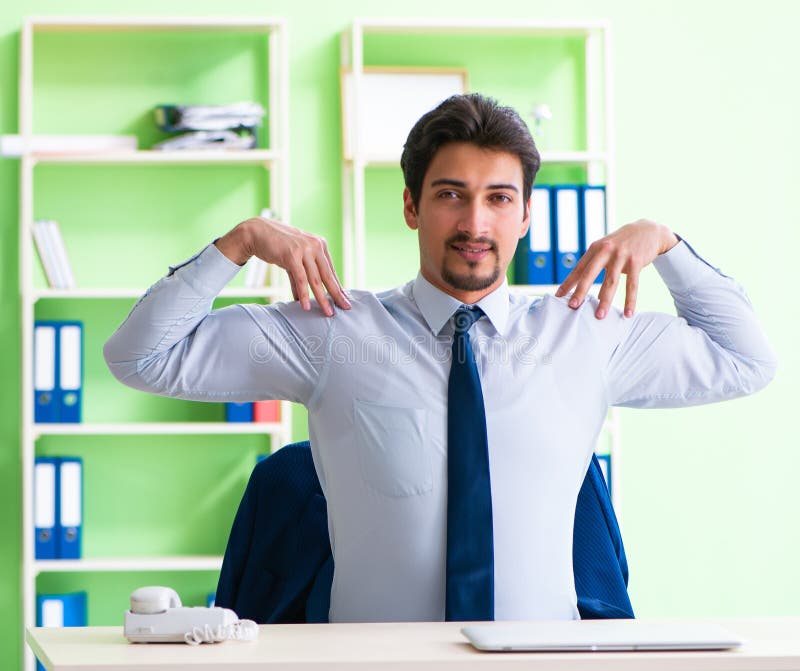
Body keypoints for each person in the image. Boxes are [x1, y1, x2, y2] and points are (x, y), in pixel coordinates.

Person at [104, 93, 776, 623]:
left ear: (526, 216)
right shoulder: (333, 326)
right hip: (375, 661)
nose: (475, 224)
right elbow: (140, 359)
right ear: (411, 206)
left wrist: (668, 245)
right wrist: (239, 242)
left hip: (541, 657)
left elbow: (747, 360)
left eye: (498, 198)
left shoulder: (588, 332)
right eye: (451, 194)